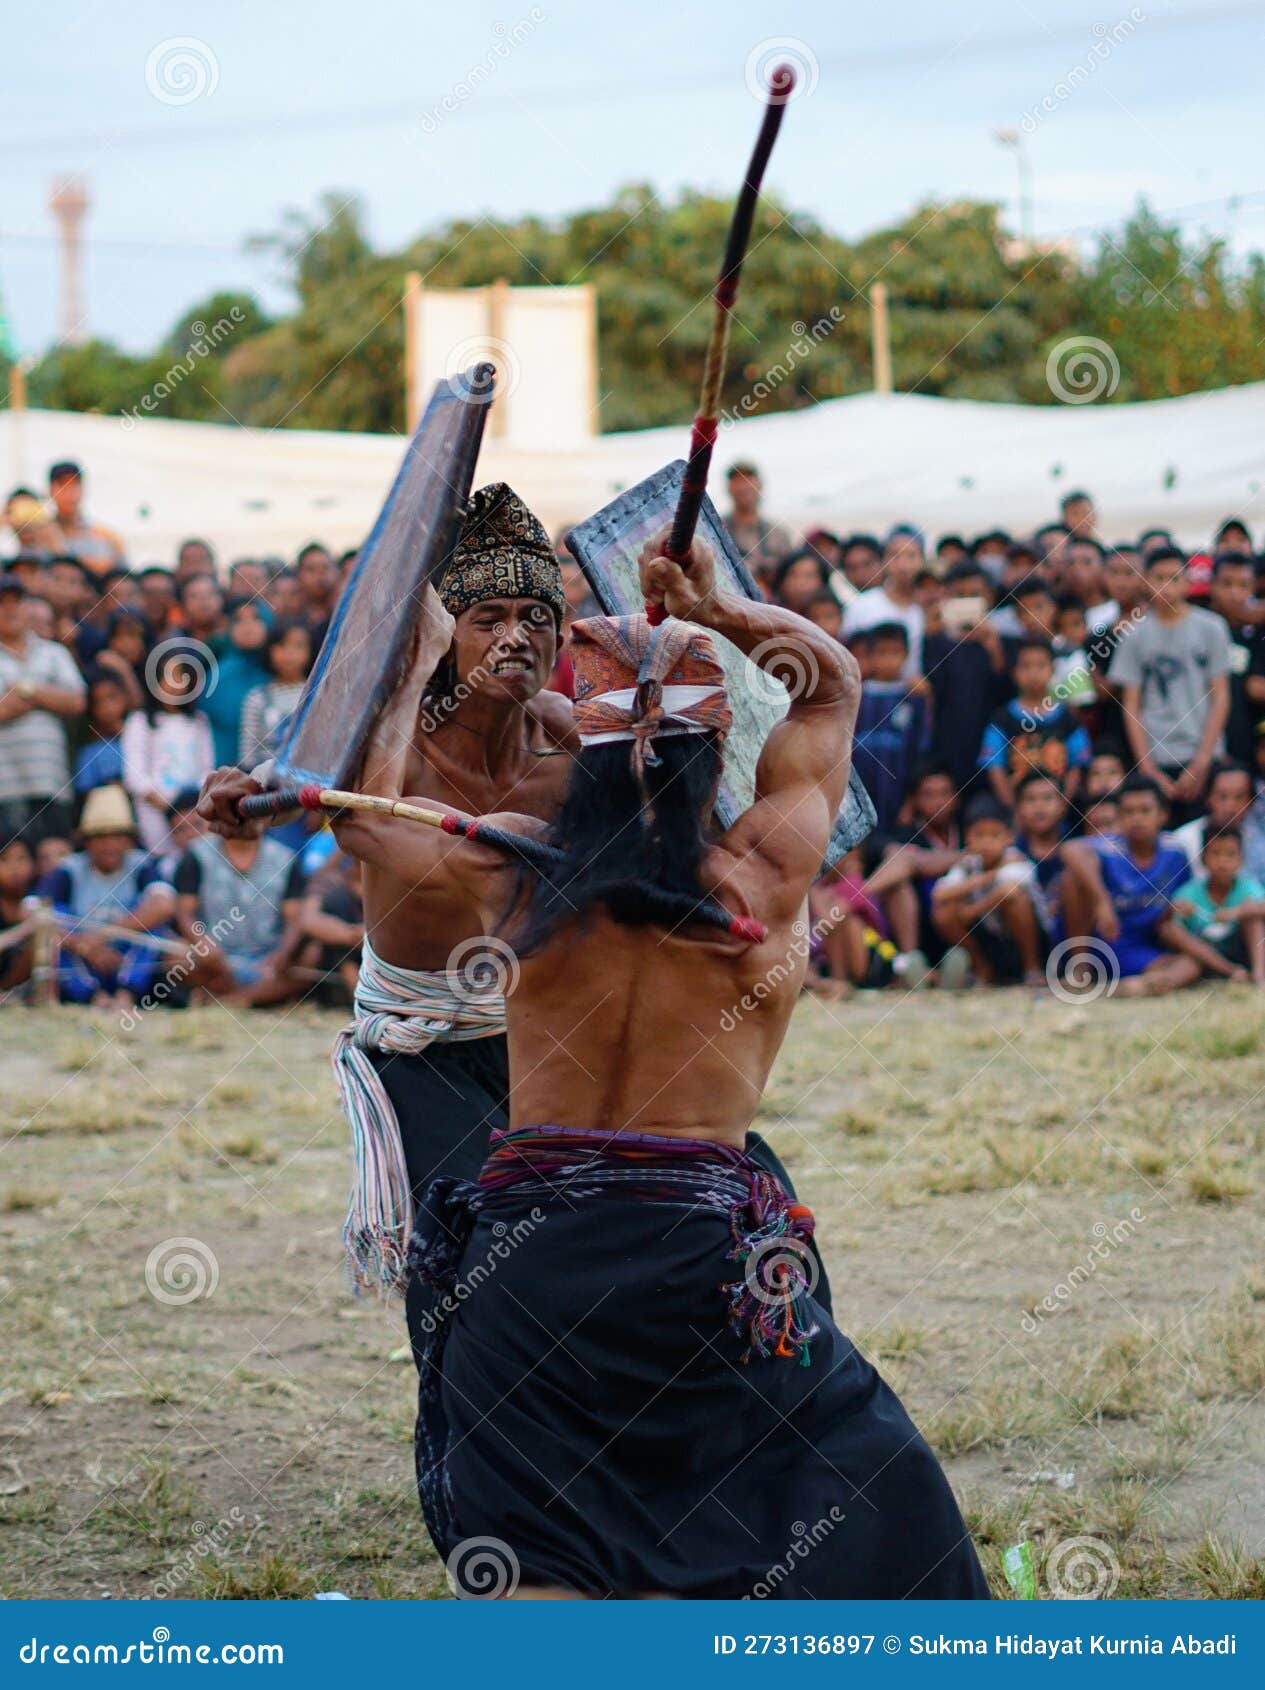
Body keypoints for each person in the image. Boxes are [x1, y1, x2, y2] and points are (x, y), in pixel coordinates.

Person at [366, 535, 988, 1600]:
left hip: (526, 1264)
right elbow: (831, 684)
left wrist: (410, 669)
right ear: (721, 749)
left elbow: (367, 819)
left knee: (544, 1562)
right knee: (869, 1516)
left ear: (584, 759)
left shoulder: (510, 870)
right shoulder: (767, 876)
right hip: (699, 1259)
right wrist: (720, 610)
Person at [1108, 548, 1233, 827]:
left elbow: (1221, 696)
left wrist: (1202, 760)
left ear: (1187, 582)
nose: (1167, 586)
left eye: (1174, 578)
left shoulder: (1212, 628)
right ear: (1146, 581)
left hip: (1204, 754)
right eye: (1159, 578)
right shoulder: (1134, 634)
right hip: (1157, 755)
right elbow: (1130, 704)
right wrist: (1147, 768)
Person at [1060, 775, 1202, 996]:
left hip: (1146, 948)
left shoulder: (1175, 852)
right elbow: (1069, 849)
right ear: (1119, 817)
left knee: (1190, 965)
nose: (1137, 819)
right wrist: (1102, 901)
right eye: (1129, 812)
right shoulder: (1110, 846)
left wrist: (1179, 909)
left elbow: (1182, 900)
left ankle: (1137, 987)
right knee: (1072, 878)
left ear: (1163, 815)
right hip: (1102, 941)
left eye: (1145, 811)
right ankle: (1080, 971)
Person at [38, 783, 174, 1007]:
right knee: (54, 917)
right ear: (87, 841)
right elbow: (32, 911)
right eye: (100, 837)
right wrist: (82, 946)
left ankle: (126, 995)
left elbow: (164, 906)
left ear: (129, 840)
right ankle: (94, 998)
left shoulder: (141, 864)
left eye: (117, 836)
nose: (109, 845)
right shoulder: (69, 869)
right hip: (82, 958)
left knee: (154, 921)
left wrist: (101, 937)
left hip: (126, 956)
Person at [172, 828, 307, 1005]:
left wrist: (282, 954)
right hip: (214, 958)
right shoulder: (197, 853)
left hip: (267, 958)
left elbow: (294, 920)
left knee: (308, 960)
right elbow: (184, 914)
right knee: (176, 957)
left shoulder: (285, 858)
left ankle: (232, 999)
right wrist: (202, 943)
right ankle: (246, 997)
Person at [0, 574, 86, 845]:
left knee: (54, 855)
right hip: (4, 787)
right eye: (2, 603)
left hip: (52, 782)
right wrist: (47, 695)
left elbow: (76, 701)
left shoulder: (53, 652)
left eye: (16, 602)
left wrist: (27, 691)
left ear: (28, 607)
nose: (10, 609)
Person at [932, 794, 1045, 986]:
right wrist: (985, 877)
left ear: (1009, 837)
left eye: (994, 836)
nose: (986, 843)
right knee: (944, 911)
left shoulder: (1015, 859)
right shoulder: (969, 864)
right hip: (993, 941)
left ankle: (1032, 968)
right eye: (979, 835)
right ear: (968, 838)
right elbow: (939, 894)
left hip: (1031, 940)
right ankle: (983, 969)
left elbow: (1010, 891)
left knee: (1017, 902)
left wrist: (972, 911)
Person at [121, 648, 215, 852]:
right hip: (154, 812)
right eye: (166, 676)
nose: (173, 684)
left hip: (194, 812)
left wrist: (191, 808)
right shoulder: (140, 721)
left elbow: (206, 769)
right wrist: (169, 808)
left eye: (179, 676)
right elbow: (134, 775)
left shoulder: (199, 721)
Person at [978, 639, 1091, 807]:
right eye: (1026, 666)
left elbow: (1076, 767)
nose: (1033, 674)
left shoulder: (1069, 719)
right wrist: (1014, 809)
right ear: (1014, 672)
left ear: (1052, 670)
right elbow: (995, 768)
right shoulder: (1001, 720)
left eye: (1040, 666)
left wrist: (1061, 807)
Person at [851, 623, 929, 832]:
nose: (888, 660)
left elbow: (920, 748)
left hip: (898, 783)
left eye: (895, 653)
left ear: (906, 655)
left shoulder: (913, 696)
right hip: (861, 782)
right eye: (882, 653)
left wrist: (911, 800)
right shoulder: (857, 694)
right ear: (870, 656)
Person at [1171, 827, 1265, 988]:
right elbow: (1172, 926)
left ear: (1241, 859)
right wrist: (1180, 914)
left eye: (1230, 854)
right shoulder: (1189, 892)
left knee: (1253, 916)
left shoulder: (1248, 887)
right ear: (1203, 858)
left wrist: (1236, 912)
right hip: (1207, 955)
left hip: (1241, 950)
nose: (1223, 862)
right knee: (1174, 932)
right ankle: (1230, 972)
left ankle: (1259, 976)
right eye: (1215, 854)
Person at [842, 528, 926, 676]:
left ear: (923, 560)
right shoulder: (861, 605)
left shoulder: (930, 609)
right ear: (883, 561)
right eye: (895, 556)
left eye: (911, 556)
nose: (903, 565)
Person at [1170, 760, 1265, 880]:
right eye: (1222, 796)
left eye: (1239, 797)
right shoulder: (1183, 840)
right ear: (1208, 798)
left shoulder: (1259, 841)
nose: (1230, 806)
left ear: (1251, 801)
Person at [238, 618, 311, 767]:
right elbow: (248, 756)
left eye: (298, 646)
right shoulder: (257, 698)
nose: (290, 653)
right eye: (282, 645)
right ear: (270, 650)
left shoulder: (318, 696)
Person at [46, 462, 127, 576]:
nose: (69, 493)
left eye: (74, 485)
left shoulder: (107, 537)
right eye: (63, 486)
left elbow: (121, 578)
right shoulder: (37, 533)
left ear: (83, 489)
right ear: (50, 490)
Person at [721, 460, 792, 589]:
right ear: (729, 488)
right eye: (737, 481)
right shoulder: (717, 529)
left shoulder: (778, 534)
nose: (743, 487)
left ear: (759, 485)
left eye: (748, 480)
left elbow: (790, 575)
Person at [73, 669, 129, 799]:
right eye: (98, 702)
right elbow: (85, 791)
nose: (107, 707)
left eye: (112, 697)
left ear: (126, 697)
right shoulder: (91, 752)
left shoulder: (144, 738)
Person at [0, 831, 37, 993]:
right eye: (4, 859)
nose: (14, 868)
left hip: (17, 988)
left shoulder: (37, 902)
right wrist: (25, 929)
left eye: (21, 859)